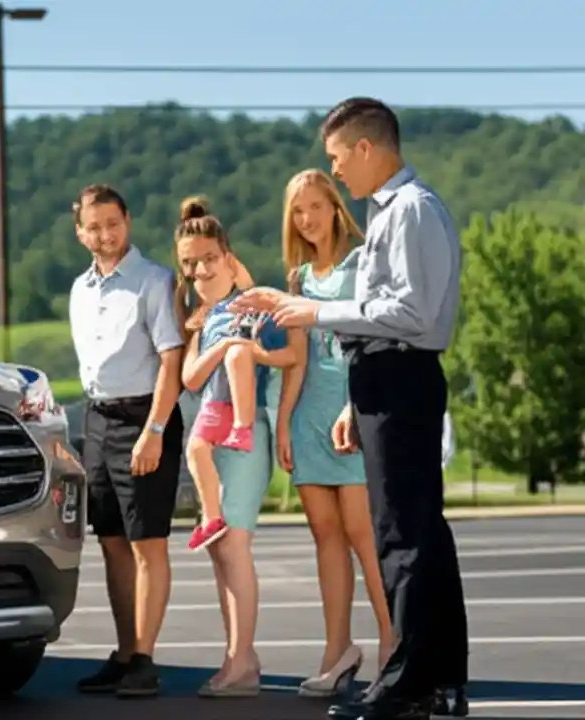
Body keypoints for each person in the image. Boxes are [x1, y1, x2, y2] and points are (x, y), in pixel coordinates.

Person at [229, 97, 467, 720]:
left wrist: (314, 311)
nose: (335, 172)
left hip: (403, 377)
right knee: (421, 534)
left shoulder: (411, 210)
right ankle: (441, 681)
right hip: (383, 378)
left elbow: (411, 313)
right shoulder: (390, 210)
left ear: (366, 148)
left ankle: (410, 680)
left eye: (337, 159)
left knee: (403, 538)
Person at [172, 196, 305, 698]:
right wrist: (218, 345)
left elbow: (294, 355)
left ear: (228, 256)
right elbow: (188, 379)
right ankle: (237, 656)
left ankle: (242, 662)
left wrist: (249, 349)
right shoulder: (203, 318)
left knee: (235, 548)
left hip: (247, 439)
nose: (200, 269)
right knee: (219, 554)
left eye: (209, 258)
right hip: (211, 433)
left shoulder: (256, 305)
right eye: (190, 264)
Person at [274, 169, 395, 698]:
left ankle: (394, 647)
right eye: (298, 212)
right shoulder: (298, 277)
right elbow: (296, 362)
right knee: (325, 538)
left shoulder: (361, 261)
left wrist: (353, 404)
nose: (306, 219)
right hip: (308, 417)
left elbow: (370, 340)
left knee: (365, 538)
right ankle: (337, 650)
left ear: (334, 206)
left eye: (315, 207)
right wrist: (283, 422)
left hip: (355, 410)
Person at [67, 183, 186, 698]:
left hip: (145, 419)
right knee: (112, 542)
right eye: (93, 227)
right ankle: (122, 653)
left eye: (112, 223)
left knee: (147, 544)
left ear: (128, 222)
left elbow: (171, 362)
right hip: (97, 420)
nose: (104, 234)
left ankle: (145, 658)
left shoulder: (153, 281)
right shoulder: (80, 289)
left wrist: (154, 431)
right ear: (80, 232)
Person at [185, 254, 261, 552]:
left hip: (219, 403)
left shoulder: (238, 311)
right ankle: (211, 515)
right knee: (197, 450)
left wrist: (226, 259)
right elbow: (191, 378)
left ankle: (211, 517)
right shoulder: (203, 326)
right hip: (218, 401)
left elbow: (247, 287)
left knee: (196, 449)